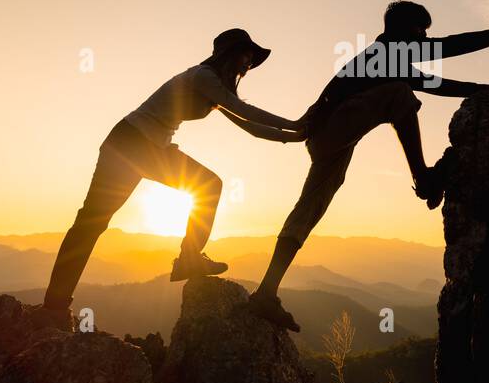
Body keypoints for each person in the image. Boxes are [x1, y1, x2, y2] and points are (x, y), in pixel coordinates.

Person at [248, 1, 489, 331]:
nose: (424, 37)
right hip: (332, 130)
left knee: (307, 211)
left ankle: (265, 292)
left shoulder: (386, 56)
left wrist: (488, 84)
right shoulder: (386, 54)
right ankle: (424, 180)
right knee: (399, 95)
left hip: (329, 139)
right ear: (403, 29)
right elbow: (447, 53)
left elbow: (436, 75)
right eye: (420, 30)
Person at [36, 29, 303, 329]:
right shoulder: (203, 77)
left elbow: (250, 127)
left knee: (203, 188)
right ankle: (55, 307)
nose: (248, 64)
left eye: (252, 60)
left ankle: (188, 257)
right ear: (228, 54)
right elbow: (246, 112)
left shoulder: (213, 91)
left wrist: (296, 136)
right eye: (246, 55)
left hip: (147, 147)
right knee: (93, 222)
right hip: (132, 143)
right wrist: (296, 124)